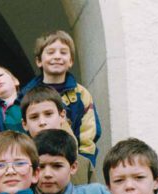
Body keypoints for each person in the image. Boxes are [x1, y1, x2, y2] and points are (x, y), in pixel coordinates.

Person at [20, 30, 101, 166]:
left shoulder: (81, 94)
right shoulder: (26, 95)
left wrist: (84, 163)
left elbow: (88, 133)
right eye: (51, 52)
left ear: (71, 61)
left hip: (72, 160)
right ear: (39, 61)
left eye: (63, 53)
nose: (57, 57)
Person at [20, 85, 101, 184]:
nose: (42, 122)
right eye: (34, 117)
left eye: (48, 114)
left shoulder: (83, 164)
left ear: (62, 116)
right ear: (24, 124)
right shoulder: (20, 165)